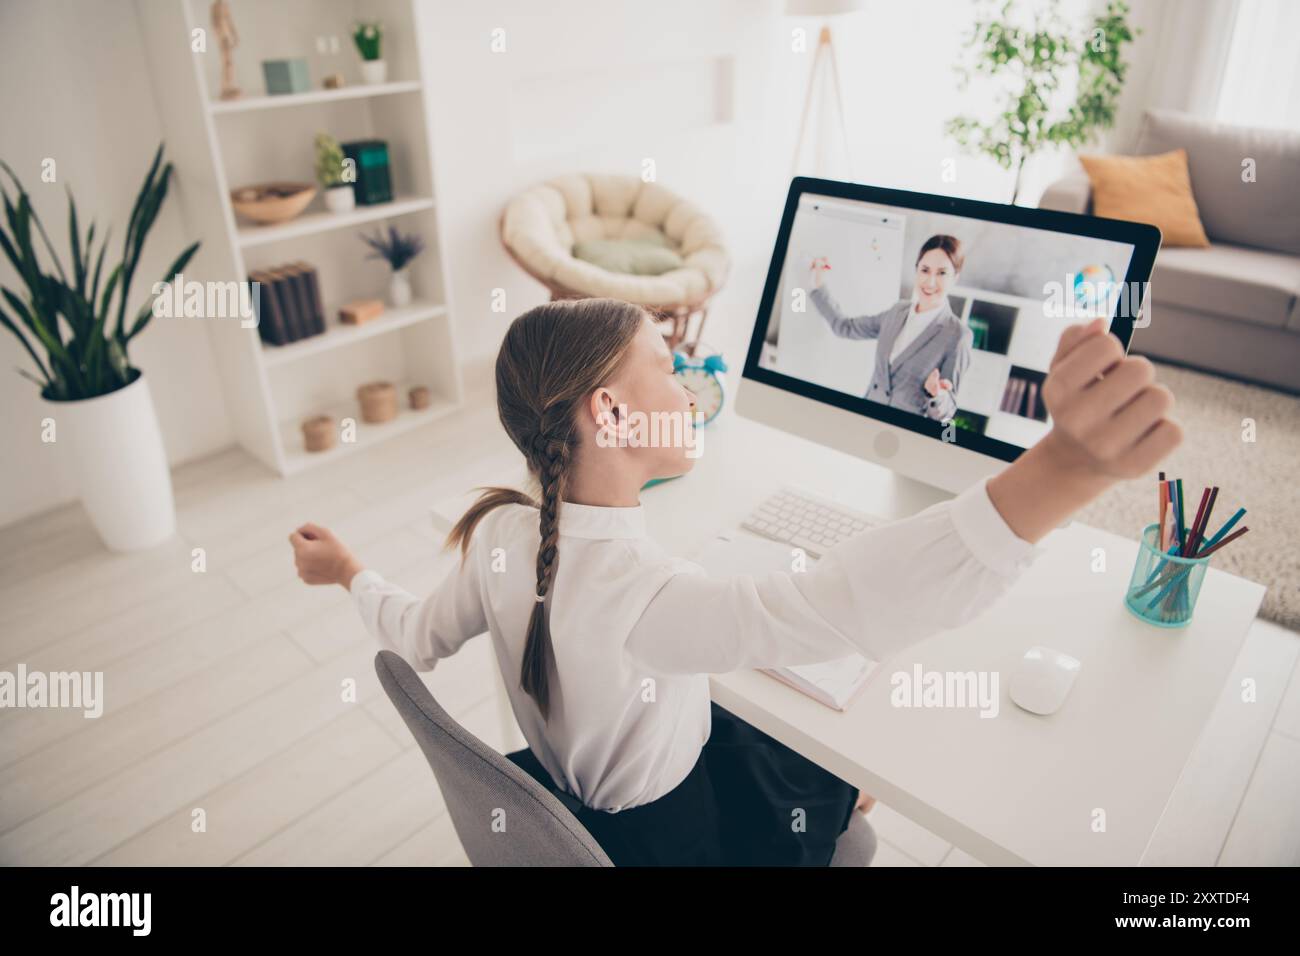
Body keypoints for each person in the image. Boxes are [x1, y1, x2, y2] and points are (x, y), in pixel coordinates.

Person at [290, 297, 1181, 866]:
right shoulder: (642, 593)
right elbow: (835, 606)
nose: (690, 388)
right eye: (671, 371)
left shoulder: (499, 534)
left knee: (789, 746)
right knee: (830, 769)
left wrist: (348, 572)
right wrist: (1061, 471)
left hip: (588, 800)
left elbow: (414, 634)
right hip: (675, 844)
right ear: (609, 412)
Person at [810, 234, 970, 421]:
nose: (930, 282)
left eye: (942, 273)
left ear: (955, 278)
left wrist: (938, 395)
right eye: (925, 270)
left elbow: (947, 412)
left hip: (902, 437)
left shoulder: (957, 335)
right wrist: (817, 284)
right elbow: (844, 327)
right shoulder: (897, 312)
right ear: (916, 270)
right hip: (865, 420)